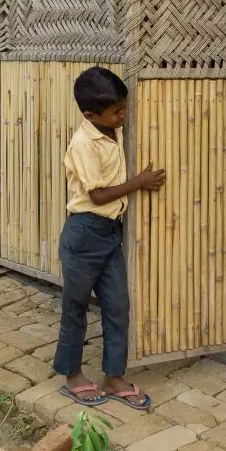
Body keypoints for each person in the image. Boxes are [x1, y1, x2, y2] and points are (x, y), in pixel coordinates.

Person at [54, 67, 166, 409]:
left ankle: (114, 375)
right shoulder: (84, 142)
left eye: (123, 108)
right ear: (90, 115)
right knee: (75, 308)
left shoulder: (114, 131)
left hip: (109, 234)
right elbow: (99, 196)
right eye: (117, 111)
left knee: (118, 306)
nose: (123, 115)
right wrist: (140, 181)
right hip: (85, 233)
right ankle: (72, 375)